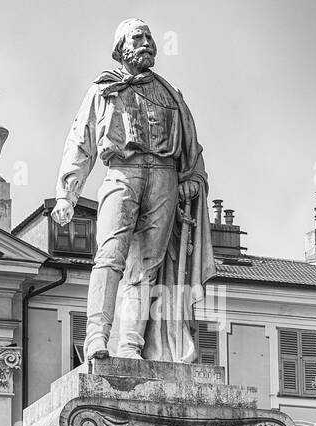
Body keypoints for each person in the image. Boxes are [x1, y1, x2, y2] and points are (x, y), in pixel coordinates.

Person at [52, 18, 215, 362]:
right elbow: (81, 141)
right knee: (109, 256)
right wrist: (68, 192)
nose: (146, 43)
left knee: (147, 267)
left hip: (164, 177)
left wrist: (191, 181)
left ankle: (131, 345)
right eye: (138, 37)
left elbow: (193, 151)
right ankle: (97, 336)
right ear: (121, 48)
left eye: (150, 37)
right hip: (121, 172)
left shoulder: (171, 94)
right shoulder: (104, 89)